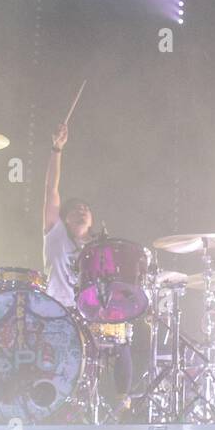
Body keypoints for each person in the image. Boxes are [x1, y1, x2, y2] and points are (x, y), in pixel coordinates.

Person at [42, 123, 134, 403]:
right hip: (58, 311)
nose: (82, 212)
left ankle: (122, 403)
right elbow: (50, 189)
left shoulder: (98, 249)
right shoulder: (55, 235)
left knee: (121, 336)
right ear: (64, 217)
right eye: (75, 209)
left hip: (90, 313)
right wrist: (57, 149)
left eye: (86, 209)